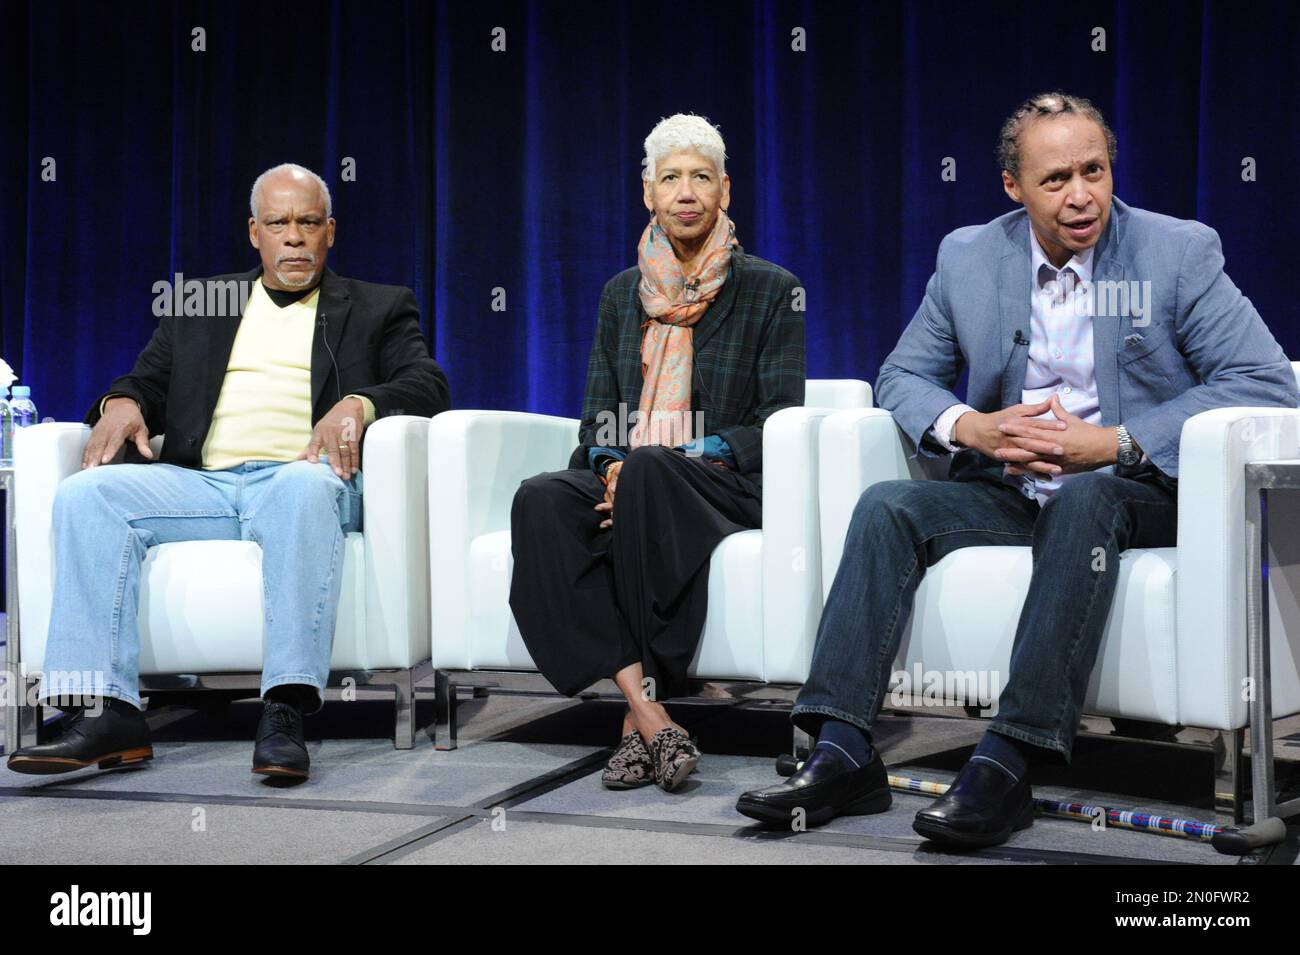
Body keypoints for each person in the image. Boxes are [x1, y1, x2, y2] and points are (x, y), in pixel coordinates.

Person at [737, 92, 1298, 845]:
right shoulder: (970, 257)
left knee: (1088, 499)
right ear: (1013, 187)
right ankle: (841, 749)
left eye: (1093, 171)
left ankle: (1007, 761)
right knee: (886, 504)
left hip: (1138, 493)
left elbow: (1265, 379)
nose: (1081, 195)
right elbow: (902, 374)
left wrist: (1119, 441)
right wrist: (971, 426)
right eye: (1056, 178)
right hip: (1010, 491)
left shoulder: (1176, 253)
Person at [7, 163, 450, 782]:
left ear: (330, 232)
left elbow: (427, 383)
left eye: (307, 222)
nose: (293, 237)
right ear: (254, 233)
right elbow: (144, 382)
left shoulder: (378, 307)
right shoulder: (203, 304)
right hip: (204, 483)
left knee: (299, 488)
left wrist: (360, 403)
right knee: (88, 496)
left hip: (303, 477)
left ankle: (285, 708)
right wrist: (123, 404)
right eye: (278, 223)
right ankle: (107, 713)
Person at [509, 114, 805, 792]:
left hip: (723, 485)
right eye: (670, 177)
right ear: (648, 192)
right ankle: (650, 714)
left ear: (725, 190)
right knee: (543, 498)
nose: (686, 191)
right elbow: (595, 425)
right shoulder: (621, 294)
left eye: (701, 176)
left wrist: (684, 453)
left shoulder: (770, 288)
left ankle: (631, 725)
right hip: (637, 475)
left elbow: (779, 422)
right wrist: (612, 469)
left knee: (649, 468)